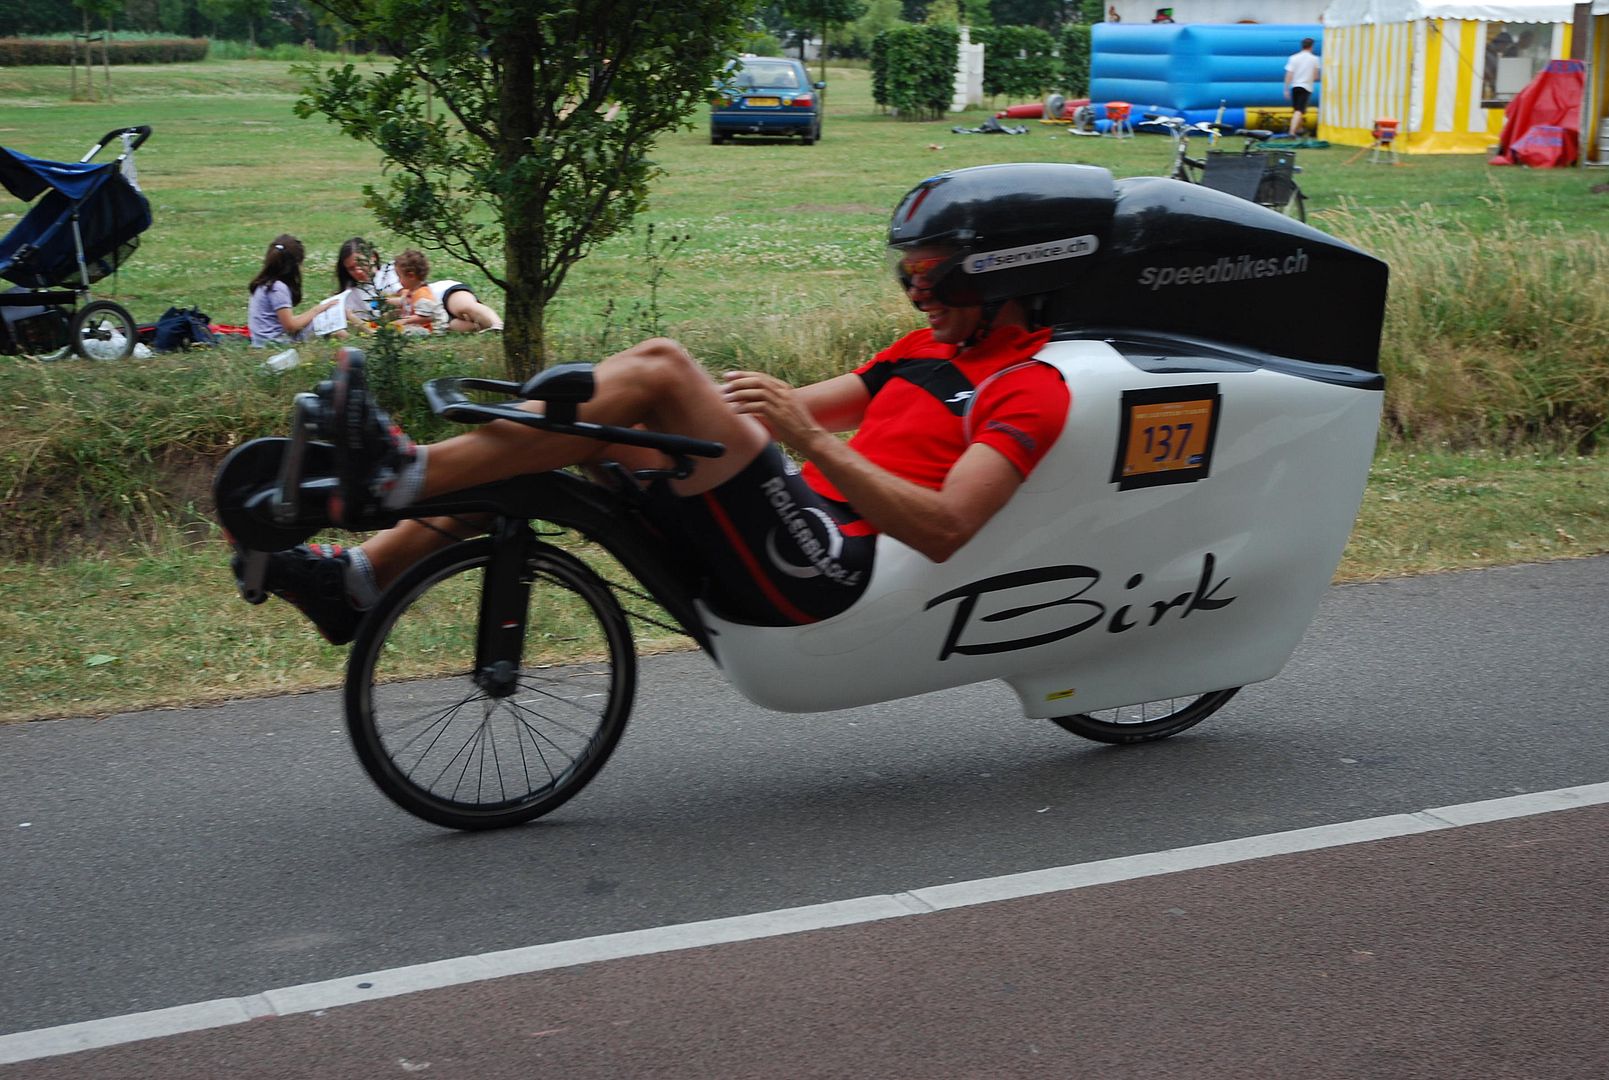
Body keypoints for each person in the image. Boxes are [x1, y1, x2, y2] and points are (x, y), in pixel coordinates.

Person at [244, 163, 1097, 645]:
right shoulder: (923, 350)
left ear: (1002, 277)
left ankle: (402, 473)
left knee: (661, 367)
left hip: (833, 566)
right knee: (581, 426)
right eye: (906, 277)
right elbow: (773, 414)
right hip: (793, 518)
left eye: (931, 277)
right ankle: (357, 580)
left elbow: (945, 529)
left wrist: (807, 440)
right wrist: (684, 415)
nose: (915, 297)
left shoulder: (1030, 388)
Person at [335, 237, 503, 333]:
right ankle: (491, 329)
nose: (358, 271)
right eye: (351, 268)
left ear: (372, 257)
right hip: (431, 322)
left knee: (465, 307)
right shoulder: (352, 295)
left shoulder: (392, 269)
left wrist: (389, 305)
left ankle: (498, 326)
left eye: (361, 263)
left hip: (438, 296)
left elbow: (405, 296)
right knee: (462, 326)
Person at [247, 235, 343, 348]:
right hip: (276, 343)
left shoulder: (263, 284)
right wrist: (317, 310)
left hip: (261, 341)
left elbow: (286, 321)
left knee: (322, 320)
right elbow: (290, 326)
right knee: (328, 322)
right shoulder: (277, 288)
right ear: (295, 265)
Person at [387, 249, 449, 334]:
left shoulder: (422, 295)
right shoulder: (410, 291)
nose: (398, 280)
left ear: (411, 276)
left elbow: (426, 318)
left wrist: (405, 321)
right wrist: (387, 301)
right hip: (417, 325)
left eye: (399, 277)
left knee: (402, 331)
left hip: (428, 328)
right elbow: (404, 301)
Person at [1283, 37, 1321, 137]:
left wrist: (1286, 88)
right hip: (1306, 86)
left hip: (1295, 86)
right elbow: (1315, 76)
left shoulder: (1293, 58)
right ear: (1311, 46)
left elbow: (1289, 74)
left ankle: (1300, 129)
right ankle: (1292, 132)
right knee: (1299, 111)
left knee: (1297, 109)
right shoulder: (1315, 59)